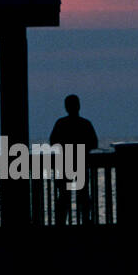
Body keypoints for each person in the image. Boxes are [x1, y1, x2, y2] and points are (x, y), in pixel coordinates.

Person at [48, 94, 98, 224]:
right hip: (81, 163)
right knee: (83, 195)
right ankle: (86, 221)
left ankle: (61, 222)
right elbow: (94, 143)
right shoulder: (85, 123)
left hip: (64, 163)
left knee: (64, 196)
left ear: (66, 107)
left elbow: (53, 142)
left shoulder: (60, 123)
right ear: (79, 106)